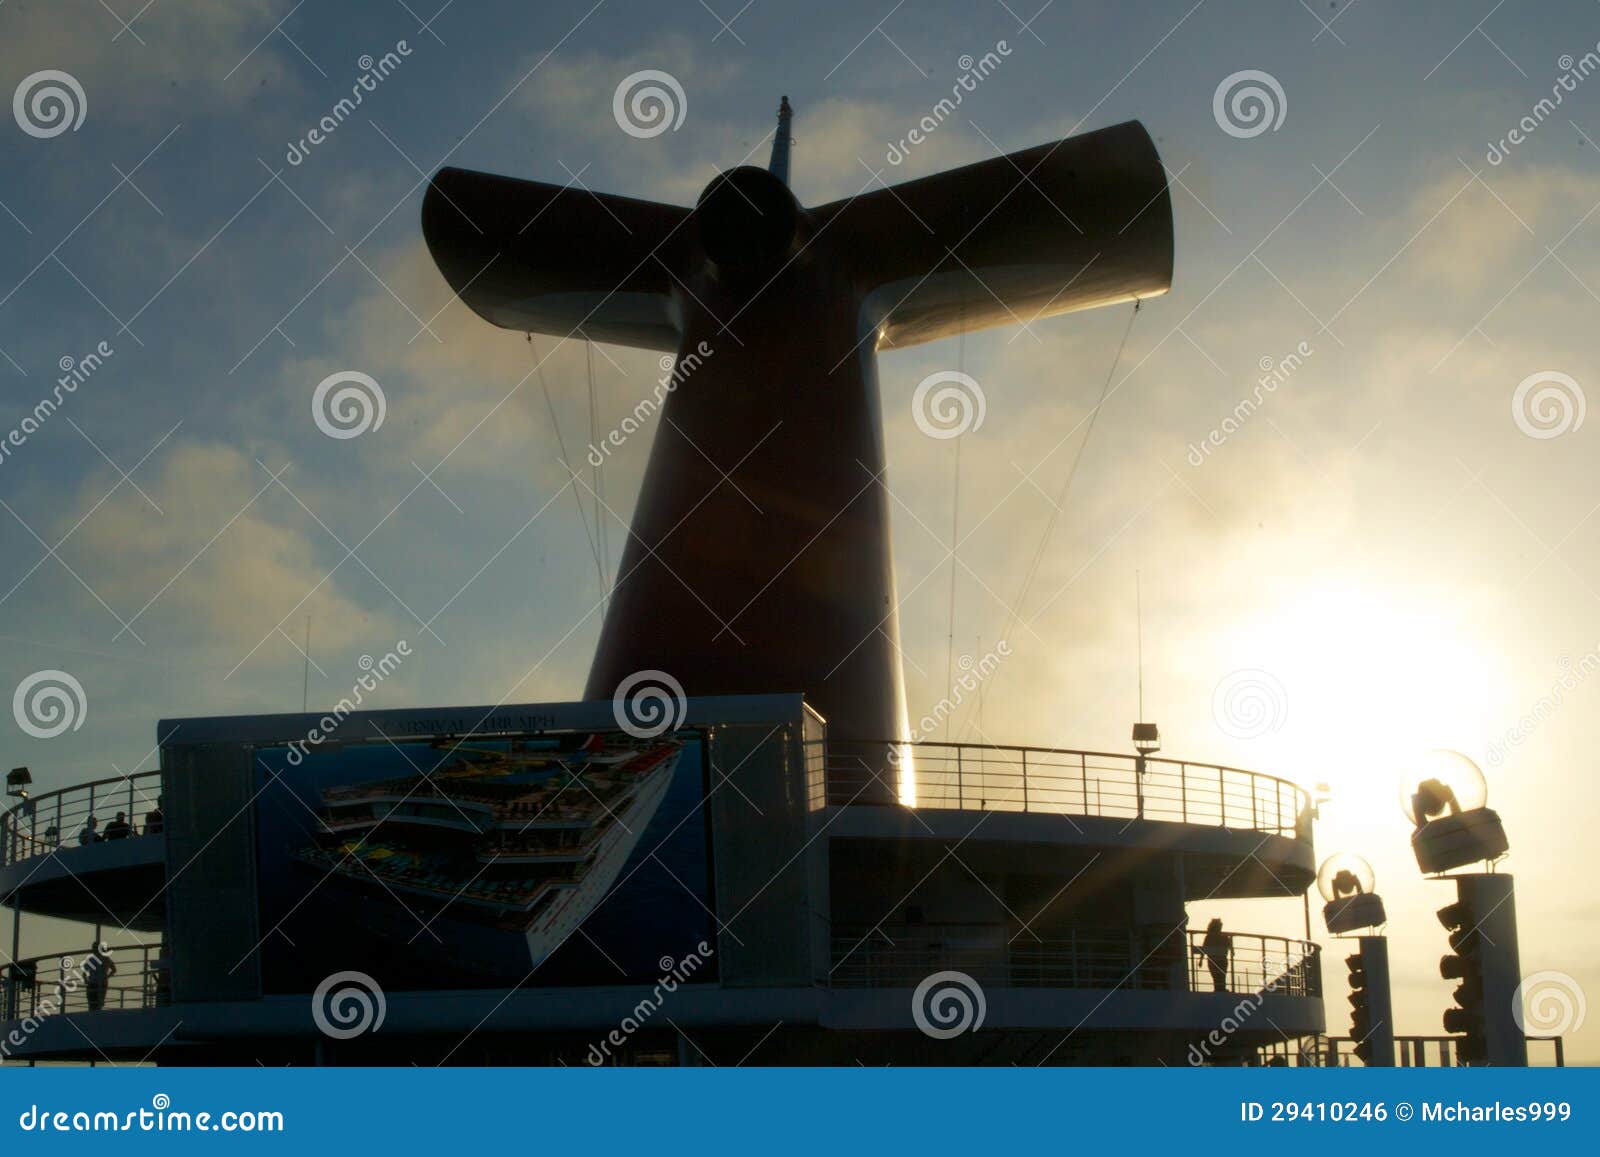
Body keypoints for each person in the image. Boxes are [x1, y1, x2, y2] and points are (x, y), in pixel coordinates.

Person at [1195, 918, 1232, 992]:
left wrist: (1201, 960)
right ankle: (1220, 989)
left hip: (1216, 960)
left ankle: (1219, 989)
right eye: (1220, 926)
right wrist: (1201, 960)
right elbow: (1204, 948)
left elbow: (1204, 949)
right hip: (1219, 960)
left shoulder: (1211, 937)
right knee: (1219, 976)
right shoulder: (1222, 936)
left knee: (1219, 976)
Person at [82, 943, 116, 1012]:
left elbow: (84, 972)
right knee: (98, 1003)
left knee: (92, 1004)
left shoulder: (92, 959)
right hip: (101, 983)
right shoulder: (106, 959)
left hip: (93, 983)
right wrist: (107, 977)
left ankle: (93, 1016)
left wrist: (86, 980)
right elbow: (114, 970)